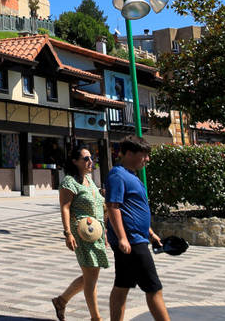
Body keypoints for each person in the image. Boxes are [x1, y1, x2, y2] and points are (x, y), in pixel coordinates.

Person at [106, 136, 169, 321]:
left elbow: (131, 208)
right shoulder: (117, 175)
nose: (147, 159)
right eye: (144, 155)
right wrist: (122, 238)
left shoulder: (130, 175)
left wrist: (149, 232)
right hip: (132, 242)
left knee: (122, 285)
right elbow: (113, 206)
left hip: (137, 238)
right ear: (129, 153)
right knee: (154, 288)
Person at [52, 145, 109, 321]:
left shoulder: (89, 180)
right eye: (86, 158)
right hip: (81, 233)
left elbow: (100, 207)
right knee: (91, 277)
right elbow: (65, 208)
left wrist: (105, 233)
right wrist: (67, 233)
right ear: (75, 161)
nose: (90, 161)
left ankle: (61, 301)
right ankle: (96, 318)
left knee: (90, 275)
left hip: (96, 233)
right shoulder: (69, 182)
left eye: (91, 158)